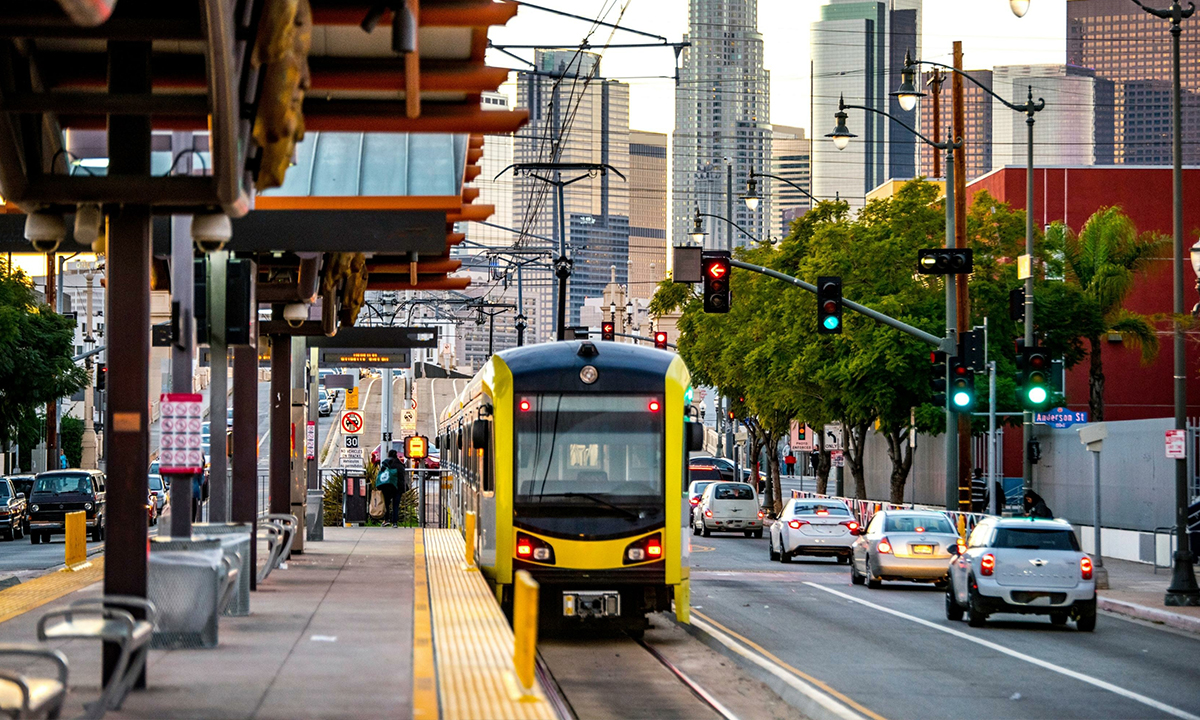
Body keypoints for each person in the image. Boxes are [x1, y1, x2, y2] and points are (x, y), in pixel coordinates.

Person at [377, 450, 404, 527]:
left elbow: (381, 473)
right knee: (395, 505)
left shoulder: (386, 462)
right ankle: (395, 523)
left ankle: (386, 520)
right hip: (398, 487)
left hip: (387, 487)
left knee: (386, 504)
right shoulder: (400, 464)